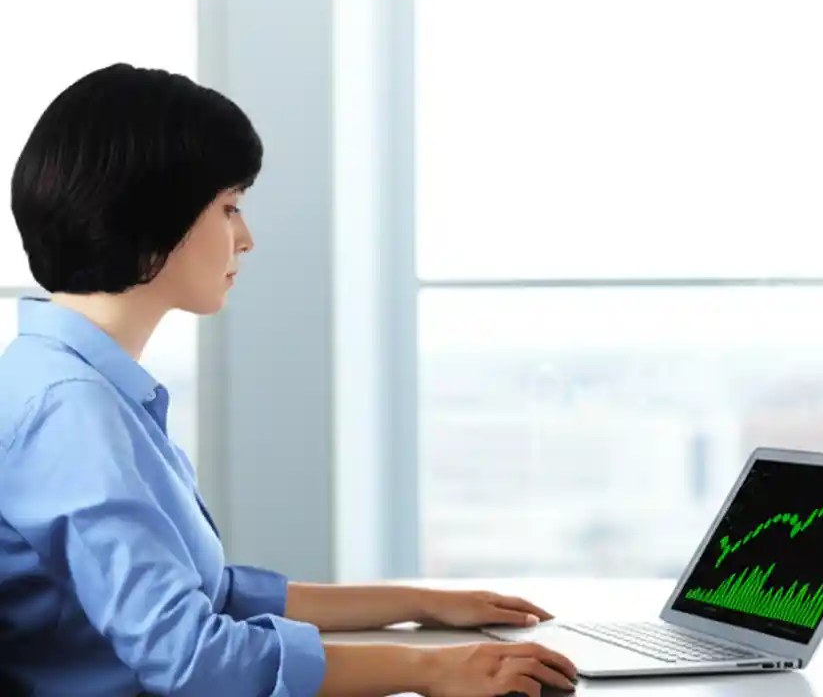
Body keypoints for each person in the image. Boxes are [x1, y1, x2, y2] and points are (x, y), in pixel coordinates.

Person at [0, 63, 577, 697]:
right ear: (152, 218)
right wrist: (433, 669)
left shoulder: (65, 379)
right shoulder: (71, 412)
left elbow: (214, 593)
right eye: (229, 208)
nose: (245, 238)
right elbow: (191, 657)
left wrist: (423, 604)